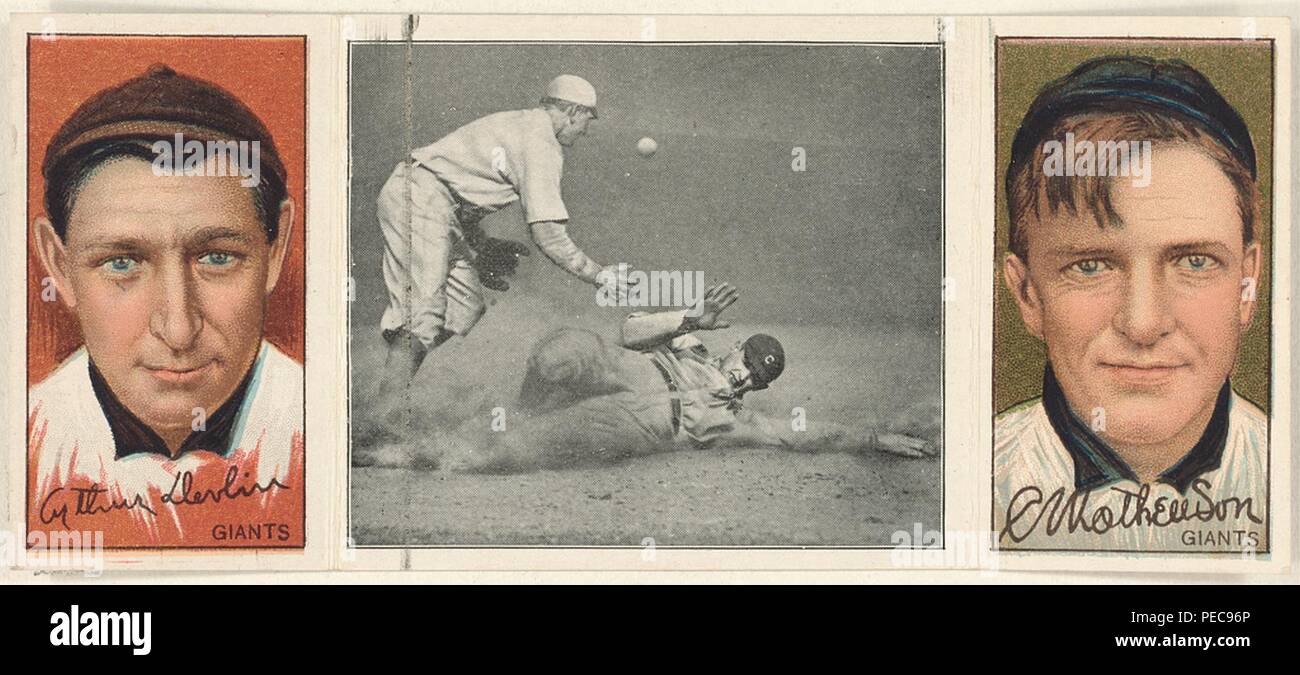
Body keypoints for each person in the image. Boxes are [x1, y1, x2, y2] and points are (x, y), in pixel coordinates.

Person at [995, 56, 1268, 552]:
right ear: (1027, 294)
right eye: (1091, 266)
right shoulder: (971, 478)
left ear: (1247, 285)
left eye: (1195, 262)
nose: (1143, 325)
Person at [28, 64, 303, 547]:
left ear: (275, 251)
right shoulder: (22, 440)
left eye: (218, 257)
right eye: (121, 262)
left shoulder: (336, 437)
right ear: (59, 264)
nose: (178, 330)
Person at [359, 283, 937, 472]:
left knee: (494, 454)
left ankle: (387, 454)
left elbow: (806, 436)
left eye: (755, 378)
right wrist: (689, 318)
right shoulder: (690, 345)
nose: (745, 376)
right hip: (622, 367)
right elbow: (631, 328)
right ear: (735, 347)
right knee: (561, 350)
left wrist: (871, 437)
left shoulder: (733, 419)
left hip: (627, 424)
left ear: (759, 388)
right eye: (747, 361)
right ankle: (528, 405)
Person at [377, 74, 637, 390]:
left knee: (462, 308)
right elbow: (548, 235)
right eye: (588, 118)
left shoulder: (524, 124)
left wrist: (479, 246)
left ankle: (394, 379)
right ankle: (385, 411)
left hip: (436, 204)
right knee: (425, 313)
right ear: (572, 111)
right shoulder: (540, 143)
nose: (587, 129)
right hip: (419, 197)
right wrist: (599, 275)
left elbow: (459, 184)